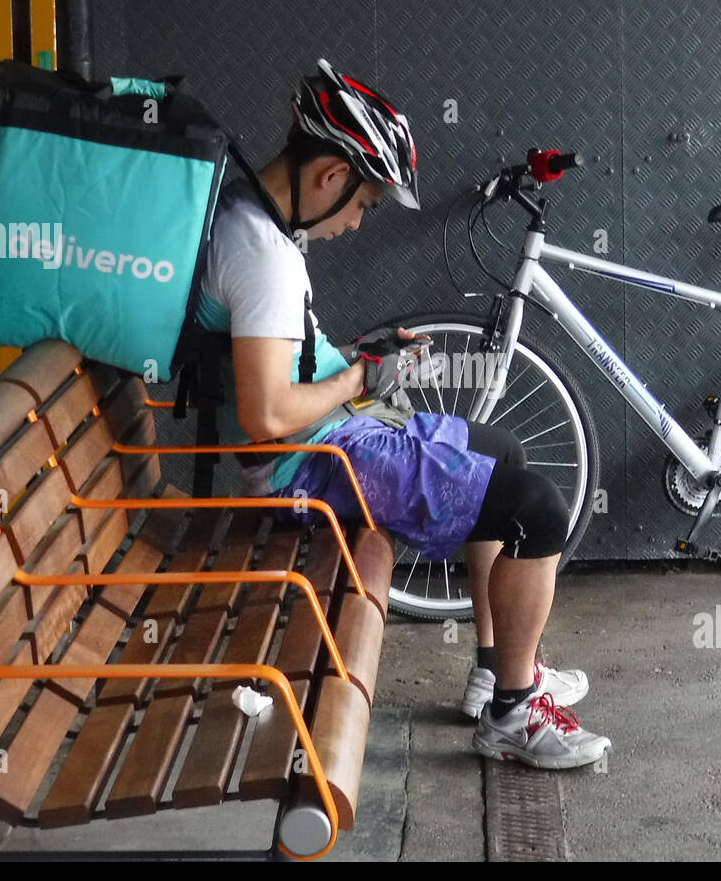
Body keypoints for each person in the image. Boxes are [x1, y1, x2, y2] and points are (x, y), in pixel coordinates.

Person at [195, 59, 610, 769]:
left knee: (503, 450)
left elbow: (282, 369)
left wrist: (364, 358)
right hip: (311, 467)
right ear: (330, 175)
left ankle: (494, 671)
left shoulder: (249, 221)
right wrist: (362, 375)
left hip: (328, 438)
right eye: (365, 203)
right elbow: (266, 414)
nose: (357, 221)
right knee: (537, 510)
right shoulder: (263, 257)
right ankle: (512, 715)